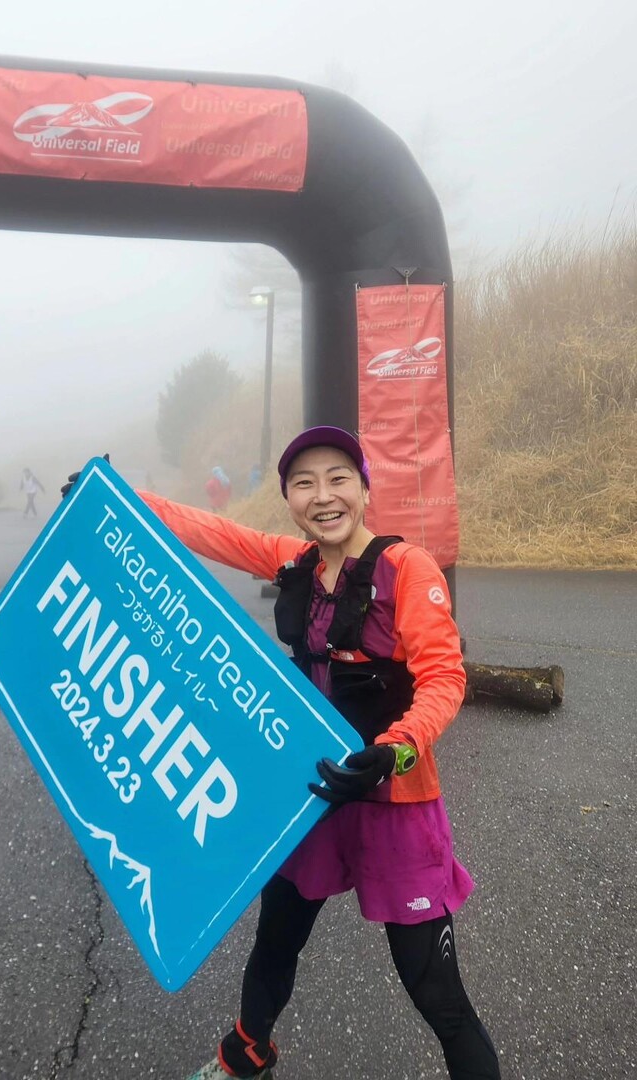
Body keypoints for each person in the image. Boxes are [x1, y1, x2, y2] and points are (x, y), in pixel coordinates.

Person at [66, 428, 499, 1080]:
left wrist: (395, 751)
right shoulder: (296, 563)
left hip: (395, 800)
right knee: (275, 942)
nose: (323, 496)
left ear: (364, 489)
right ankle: (247, 1056)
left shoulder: (407, 569)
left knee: (436, 993)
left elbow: (444, 677)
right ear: (290, 499)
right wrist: (113, 498)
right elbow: (210, 531)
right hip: (314, 796)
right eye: (304, 483)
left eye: (338, 479)